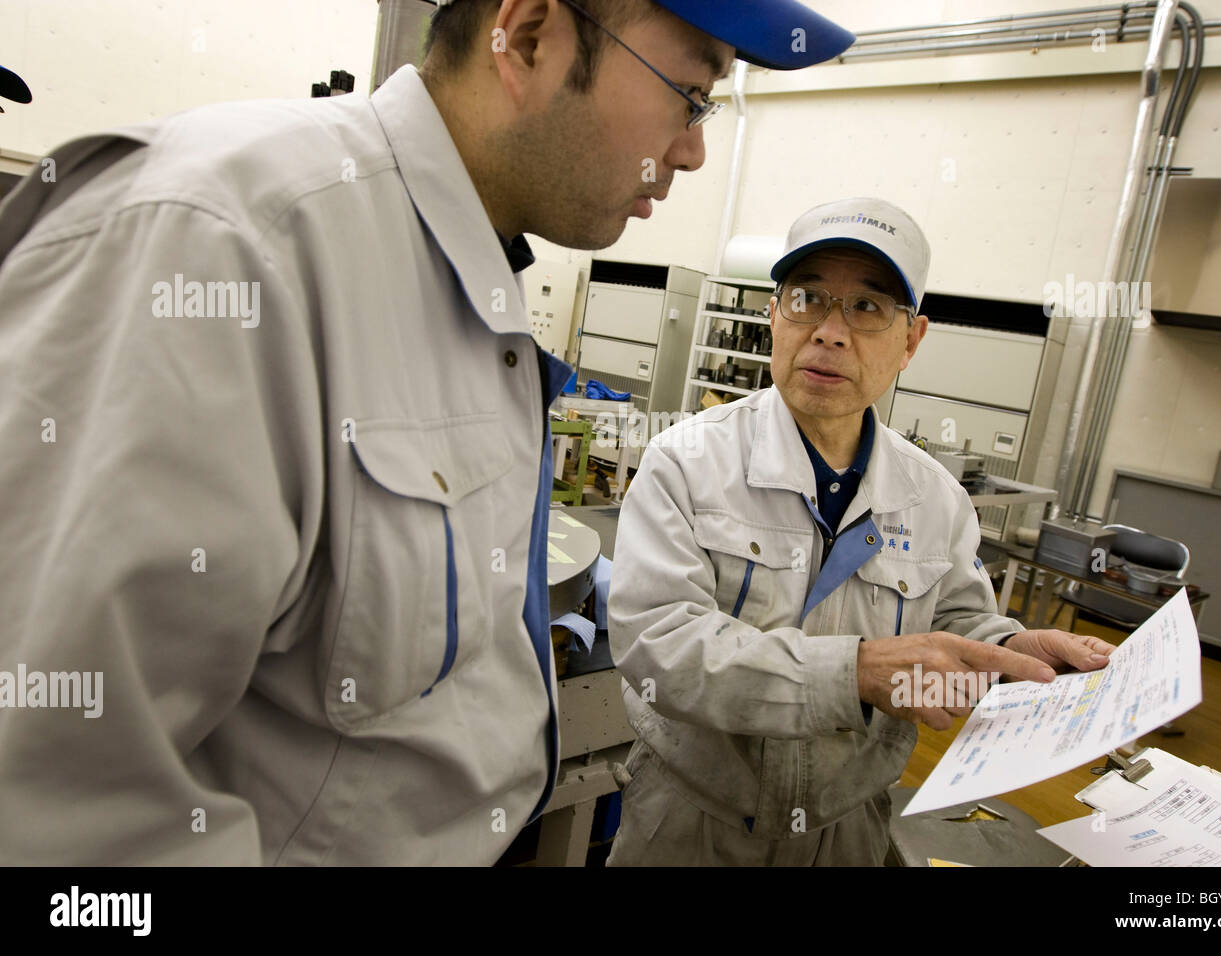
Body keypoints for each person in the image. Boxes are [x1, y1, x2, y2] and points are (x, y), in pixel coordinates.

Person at [0, 0, 854, 864]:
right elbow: (55, 806)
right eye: (692, 93)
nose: (694, 150)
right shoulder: (227, 244)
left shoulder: (469, 277)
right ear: (529, 38)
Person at [606, 197, 1117, 866]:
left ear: (911, 341)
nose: (830, 332)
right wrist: (855, 673)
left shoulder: (935, 500)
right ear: (773, 315)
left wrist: (1011, 649)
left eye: (867, 307)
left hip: (847, 833)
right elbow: (659, 650)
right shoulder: (685, 462)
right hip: (691, 826)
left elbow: (955, 620)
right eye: (807, 299)